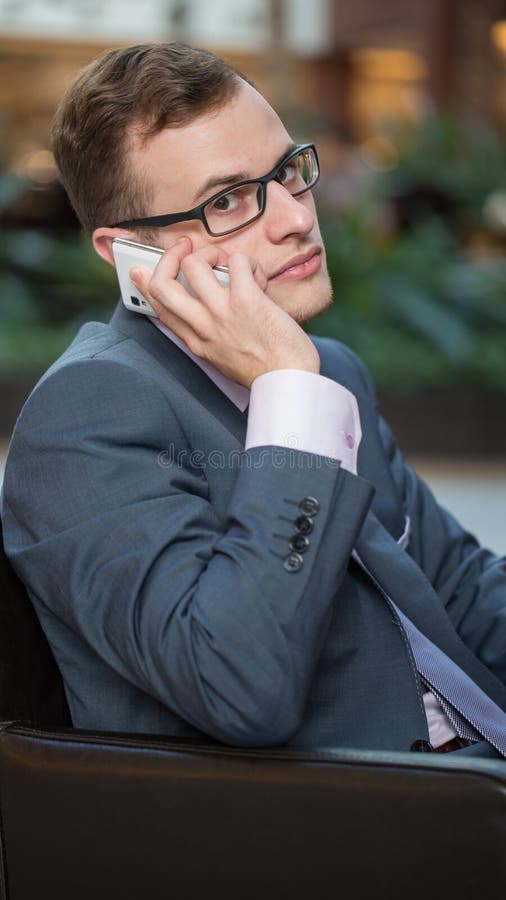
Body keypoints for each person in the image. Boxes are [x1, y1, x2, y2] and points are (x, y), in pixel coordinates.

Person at [2, 42, 505, 759]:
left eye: (287, 173)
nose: (297, 218)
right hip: (366, 820)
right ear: (128, 256)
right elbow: (238, 685)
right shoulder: (86, 416)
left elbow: (457, 585)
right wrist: (291, 397)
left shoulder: (333, 371)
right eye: (228, 200)